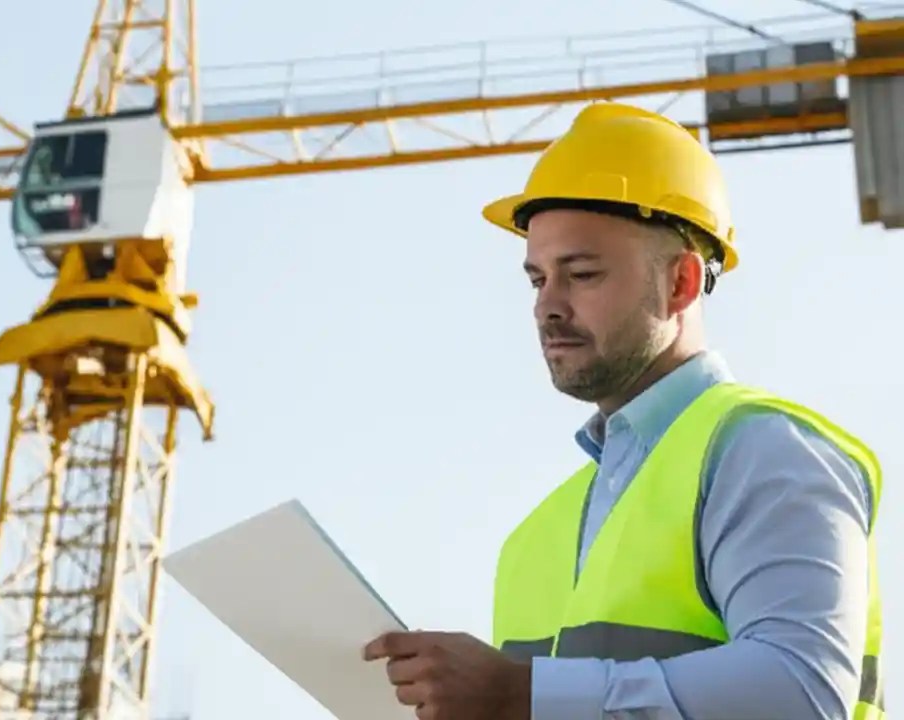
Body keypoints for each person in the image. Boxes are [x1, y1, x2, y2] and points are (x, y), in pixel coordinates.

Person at [363, 101, 885, 720]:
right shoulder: (533, 540)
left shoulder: (764, 451)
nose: (547, 307)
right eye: (537, 280)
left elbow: (801, 690)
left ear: (681, 283)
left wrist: (520, 693)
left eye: (581, 274)